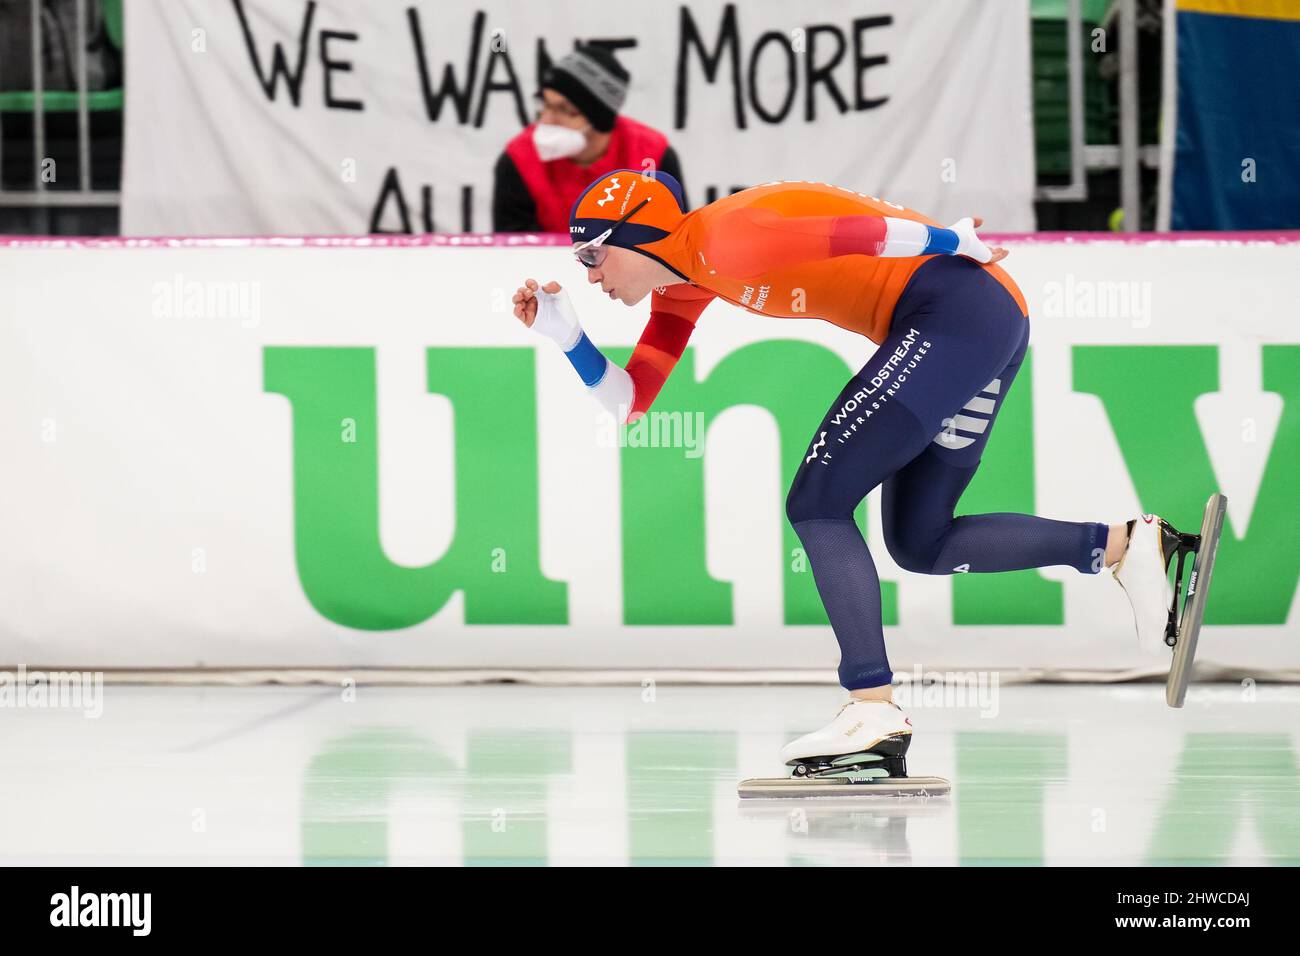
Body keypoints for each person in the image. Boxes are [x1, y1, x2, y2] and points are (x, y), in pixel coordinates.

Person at [510, 169, 1182, 782]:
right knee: (922, 541)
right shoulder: (687, 280)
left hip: (955, 310)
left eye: (594, 253)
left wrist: (955, 240)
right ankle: (1127, 546)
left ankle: (872, 705)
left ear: (641, 234)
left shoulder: (726, 236)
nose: (591, 275)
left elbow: (860, 233)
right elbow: (630, 402)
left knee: (818, 500)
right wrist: (567, 336)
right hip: (980, 320)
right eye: (580, 261)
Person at [493, 44, 687, 233]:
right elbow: (514, 249)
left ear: (599, 118)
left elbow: (674, 236)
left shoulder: (652, 156)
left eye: (564, 110)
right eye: (545, 104)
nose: (546, 119)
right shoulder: (518, 159)